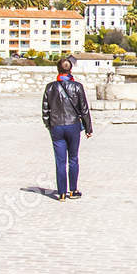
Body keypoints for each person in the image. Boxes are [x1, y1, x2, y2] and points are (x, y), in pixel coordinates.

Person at [42, 56, 93, 200]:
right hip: (73, 126)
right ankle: (73, 190)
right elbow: (84, 109)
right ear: (70, 69)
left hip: (57, 126)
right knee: (73, 158)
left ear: (58, 69)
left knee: (60, 161)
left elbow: (45, 110)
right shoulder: (77, 86)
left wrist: (49, 125)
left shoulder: (50, 87)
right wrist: (88, 128)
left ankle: (62, 192)